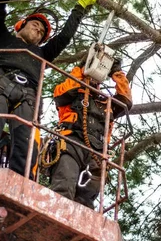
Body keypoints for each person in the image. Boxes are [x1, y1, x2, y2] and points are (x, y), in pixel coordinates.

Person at [0, 0, 98, 180]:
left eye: (42, 32)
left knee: (28, 142)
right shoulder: (0, 37)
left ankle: (22, 182)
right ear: (20, 26)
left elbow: (63, 37)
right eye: (35, 25)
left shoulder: (43, 53)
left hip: (28, 94)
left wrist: (79, 8)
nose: (39, 30)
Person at [48, 59, 133, 208]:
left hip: (97, 153)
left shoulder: (107, 103)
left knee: (87, 199)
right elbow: (63, 93)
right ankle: (55, 215)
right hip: (71, 143)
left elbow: (126, 101)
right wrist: (81, 67)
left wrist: (116, 73)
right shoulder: (72, 93)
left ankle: (77, 226)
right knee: (64, 185)